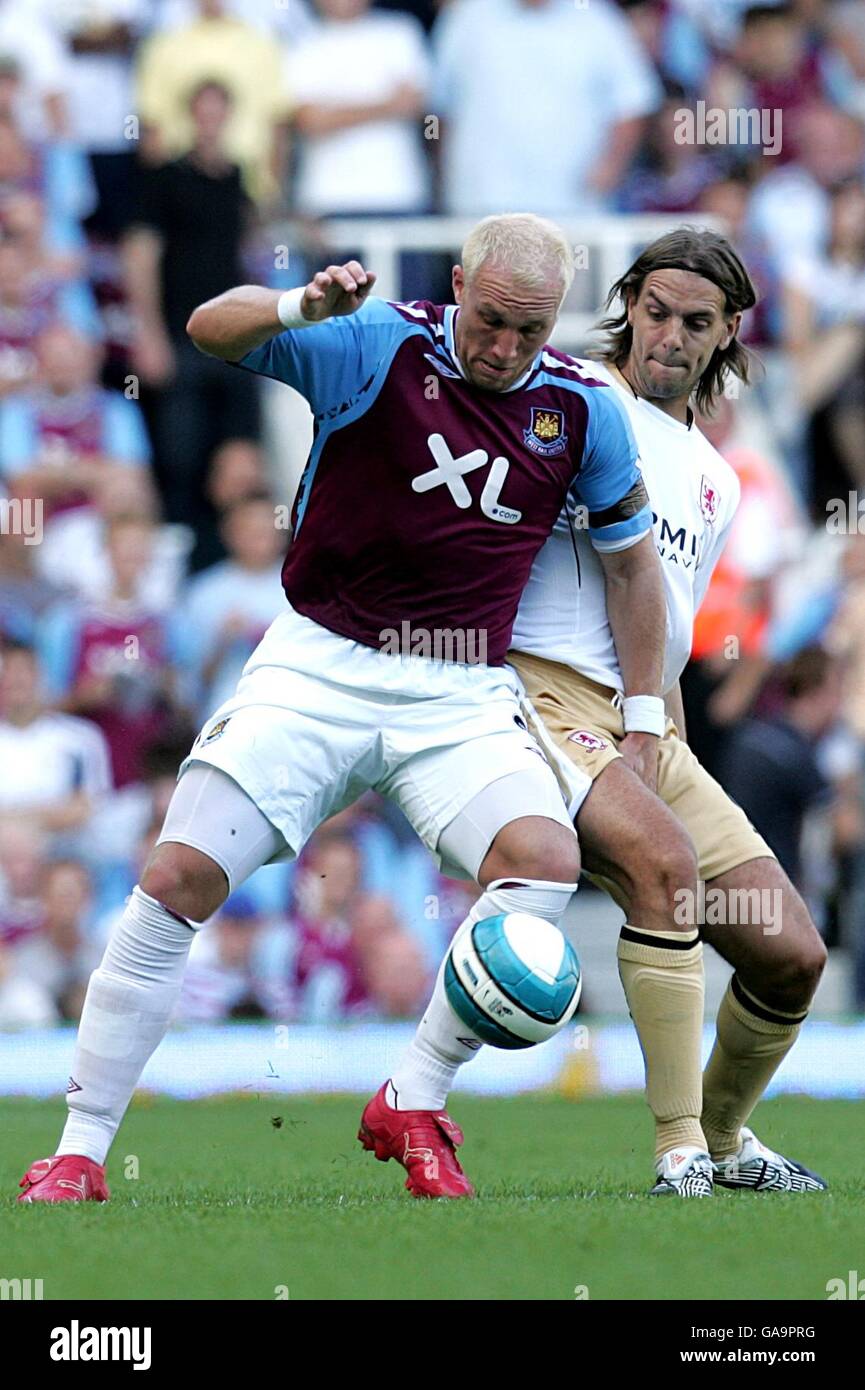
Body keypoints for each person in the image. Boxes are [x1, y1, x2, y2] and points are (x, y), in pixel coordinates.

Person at [18, 212, 667, 1204]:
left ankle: (411, 1096)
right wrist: (294, 305)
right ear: (457, 282)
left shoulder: (583, 411)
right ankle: (79, 1149)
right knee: (176, 874)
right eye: (489, 320)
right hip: (320, 661)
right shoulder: (375, 341)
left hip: (458, 688)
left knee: (542, 861)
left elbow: (632, 568)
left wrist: (646, 717)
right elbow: (205, 327)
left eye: (529, 332)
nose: (503, 348)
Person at [374, 228, 828, 1198]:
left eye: (693, 321)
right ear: (629, 303)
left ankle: (727, 1137)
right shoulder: (569, 400)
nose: (667, 335)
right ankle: (677, 1154)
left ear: (727, 333)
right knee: (662, 866)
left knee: (791, 951)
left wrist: (667, 738)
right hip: (540, 686)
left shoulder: (714, 476)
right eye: (654, 311)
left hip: (645, 719)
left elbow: (660, 632)